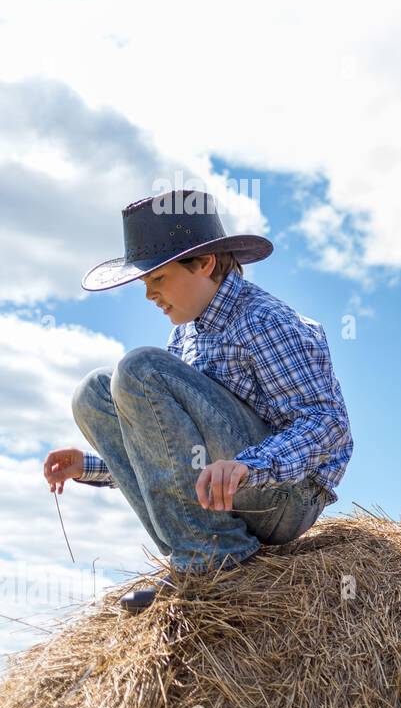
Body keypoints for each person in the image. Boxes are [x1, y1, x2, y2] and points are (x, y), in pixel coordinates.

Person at [42, 190, 352, 612]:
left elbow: (328, 423)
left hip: (286, 497)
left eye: (158, 279)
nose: (149, 294)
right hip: (225, 495)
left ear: (204, 263)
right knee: (92, 391)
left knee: (139, 368)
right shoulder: (185, 333)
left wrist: (250, 466)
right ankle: (202, 548)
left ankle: (211, 555)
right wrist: (94, 466)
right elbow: (170, 448)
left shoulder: (264, 321)